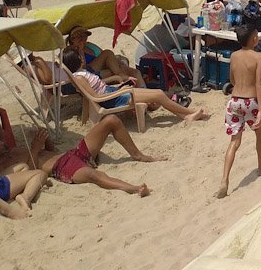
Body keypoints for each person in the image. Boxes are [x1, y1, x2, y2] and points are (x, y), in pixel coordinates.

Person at [24, 117, 164, 197]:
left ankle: (139, 156)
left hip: (71, 154)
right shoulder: (7, 162)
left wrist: (44, 140)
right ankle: (135, 188)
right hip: (63, 167)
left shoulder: (14, 149)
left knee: (111, 120)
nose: (1, 143)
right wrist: (35, 149)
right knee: (94, 175)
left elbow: (50, 152)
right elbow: (30, 173)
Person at [63, 49, 208, 124]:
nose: (82, 56)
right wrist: (122, 90)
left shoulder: (82, 73)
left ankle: (186, 115)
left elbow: (98, 87)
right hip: (112, 99)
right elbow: (96, 97)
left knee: (157, 94)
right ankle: (189, 113)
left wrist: (117, 82)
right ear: (78, 60)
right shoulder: (80, 77)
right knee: (158, 94)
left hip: (113, 92)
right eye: (79, 55)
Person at [217, 26, 261, 199]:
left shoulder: (234, 56)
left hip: (234, 101)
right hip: (250, 101)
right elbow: (259, 83)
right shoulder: (259, 57)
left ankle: (224, 180)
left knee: (234, 142)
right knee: (260, 133)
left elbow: (232, 79)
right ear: (254, 39)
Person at [65, 25, 146, 86]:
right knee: (108, 53)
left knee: (134, 72)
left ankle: (144, 95)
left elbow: (106, 58)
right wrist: (80, 50)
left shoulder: (90, 46)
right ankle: (120, 74)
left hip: (102, 72)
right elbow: (80, 69)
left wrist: (116, 63)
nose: (82, 38)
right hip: (88, 74)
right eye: (79, 37)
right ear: (72, 39)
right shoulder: (70, 51)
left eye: (84, 36)